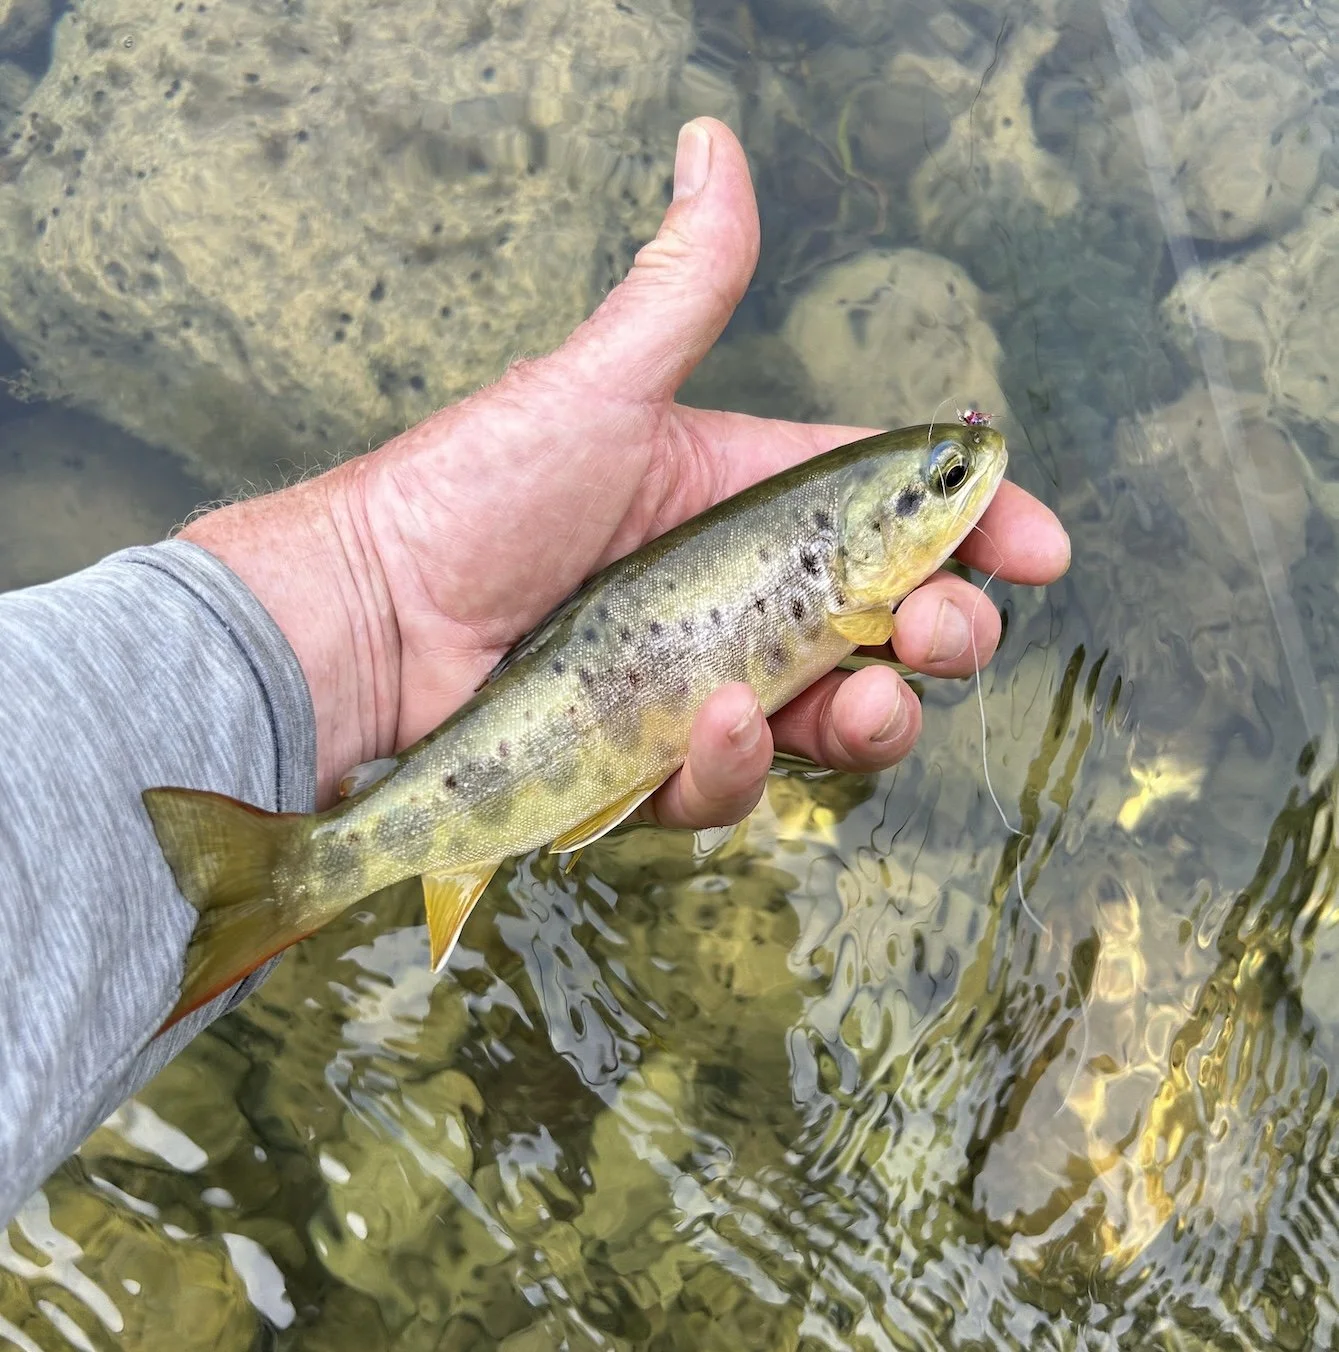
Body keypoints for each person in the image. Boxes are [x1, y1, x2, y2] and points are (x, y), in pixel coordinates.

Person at [0, 119, 1069, 1225]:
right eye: (946, 478)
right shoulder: (858, 592)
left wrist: (349, 596)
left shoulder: (859, 584)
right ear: (868, 536)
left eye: (949, 473)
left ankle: (305, 867)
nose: (971, 475)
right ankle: (300, 871)